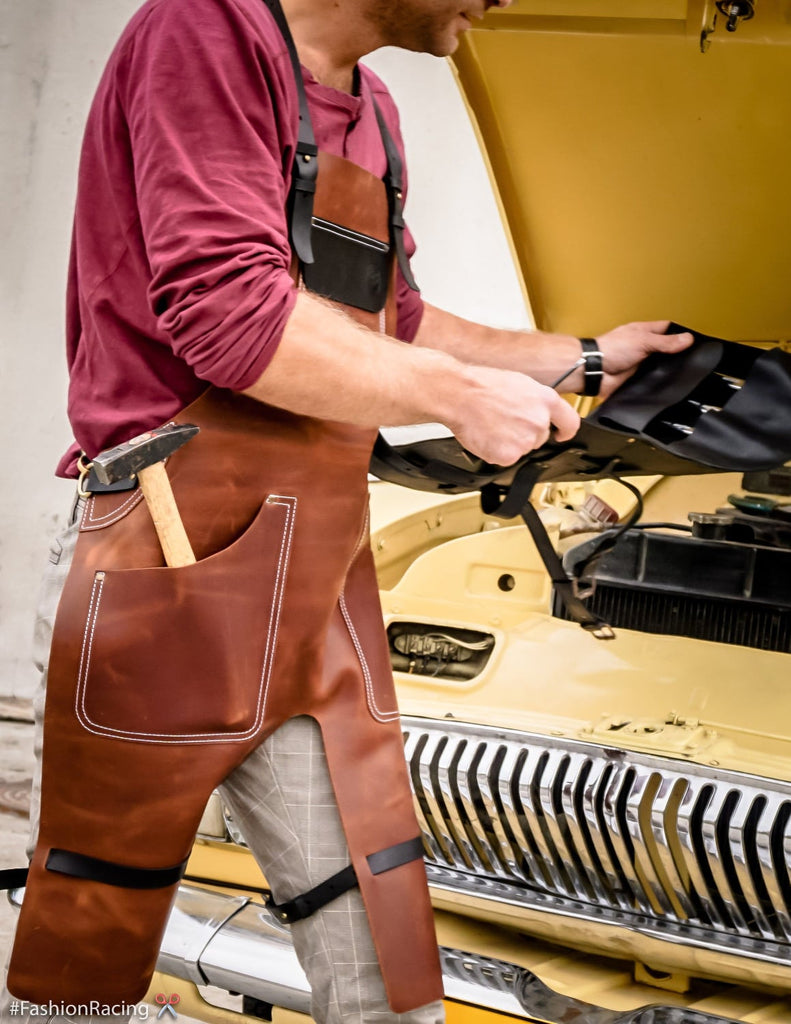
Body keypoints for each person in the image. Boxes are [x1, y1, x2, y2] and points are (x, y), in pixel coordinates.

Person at [1, 0, 693, 1021]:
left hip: (317, 578)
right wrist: (458, 398)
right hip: (172, 565)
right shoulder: (204, 32)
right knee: (84, 966)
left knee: (387, 958)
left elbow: (392, 326)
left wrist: (587, 358)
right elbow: (229, 316)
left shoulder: (373, 111)